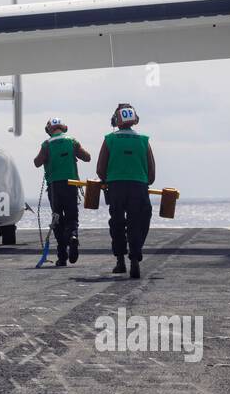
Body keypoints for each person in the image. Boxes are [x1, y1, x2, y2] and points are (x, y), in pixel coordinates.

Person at [95, 103, 155, 279]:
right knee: (138, 221)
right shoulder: (144, 141)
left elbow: (100, 169)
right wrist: (143, 181)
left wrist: (109, 180)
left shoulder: (109, 139)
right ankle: (135, 257)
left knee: (117, 223)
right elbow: (151, 173)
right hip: (139, 187)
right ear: (135, 120)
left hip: (115, 187)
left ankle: (120, 261)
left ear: (116, 120)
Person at [33, 117, 92, 266]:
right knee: (72, 217)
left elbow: (37, 162)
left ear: (49, 130)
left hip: (54, 188)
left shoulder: (47, 144)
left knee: (57, 220)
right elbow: (87, 157)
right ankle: (72, 236)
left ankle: (62, 256)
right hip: (71, 185)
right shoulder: (72, 141)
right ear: (63, 127)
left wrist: (48, 158)